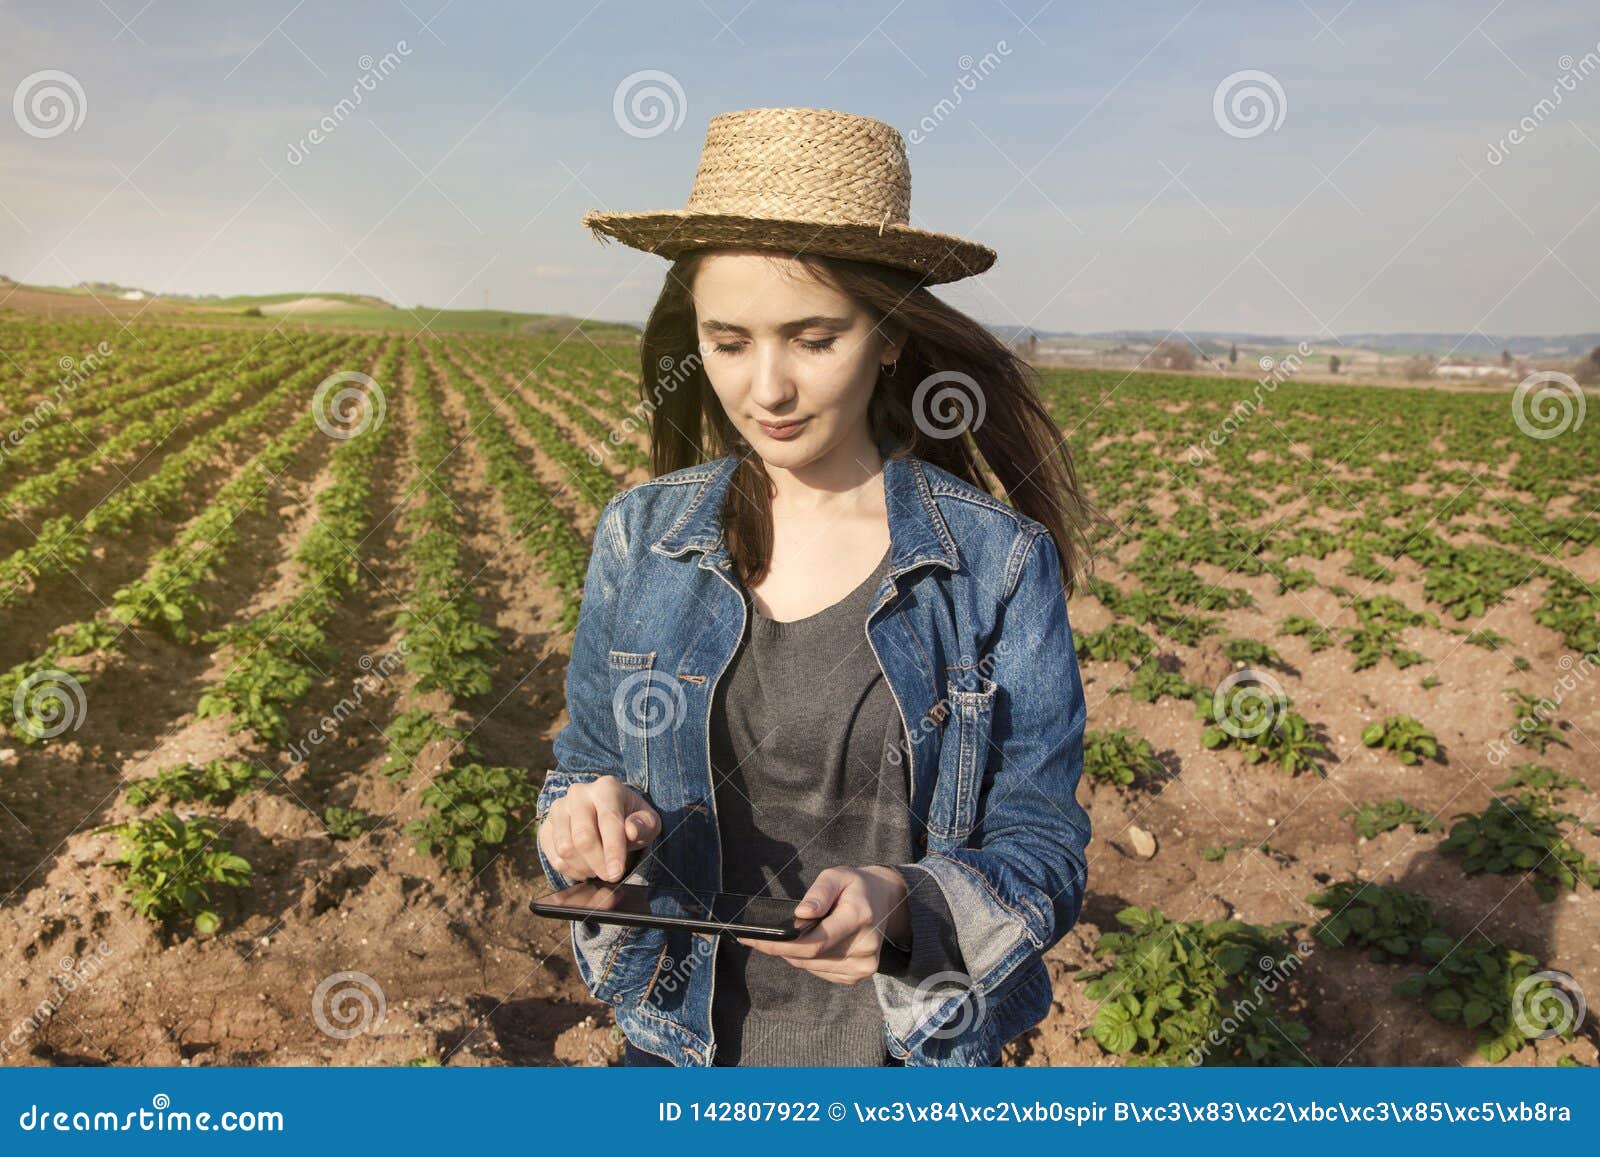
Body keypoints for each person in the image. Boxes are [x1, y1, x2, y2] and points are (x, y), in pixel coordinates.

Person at [535, 107, 1096, 1067]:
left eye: (813, 337)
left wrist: (905, 901)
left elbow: (1042, 844)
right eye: (727, 340)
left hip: (911, 1052)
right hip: (678, 1047)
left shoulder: (994, 564)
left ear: (887, 337)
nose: (767, 389)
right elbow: (582, 763)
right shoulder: (642, 536)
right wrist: (580, 824)